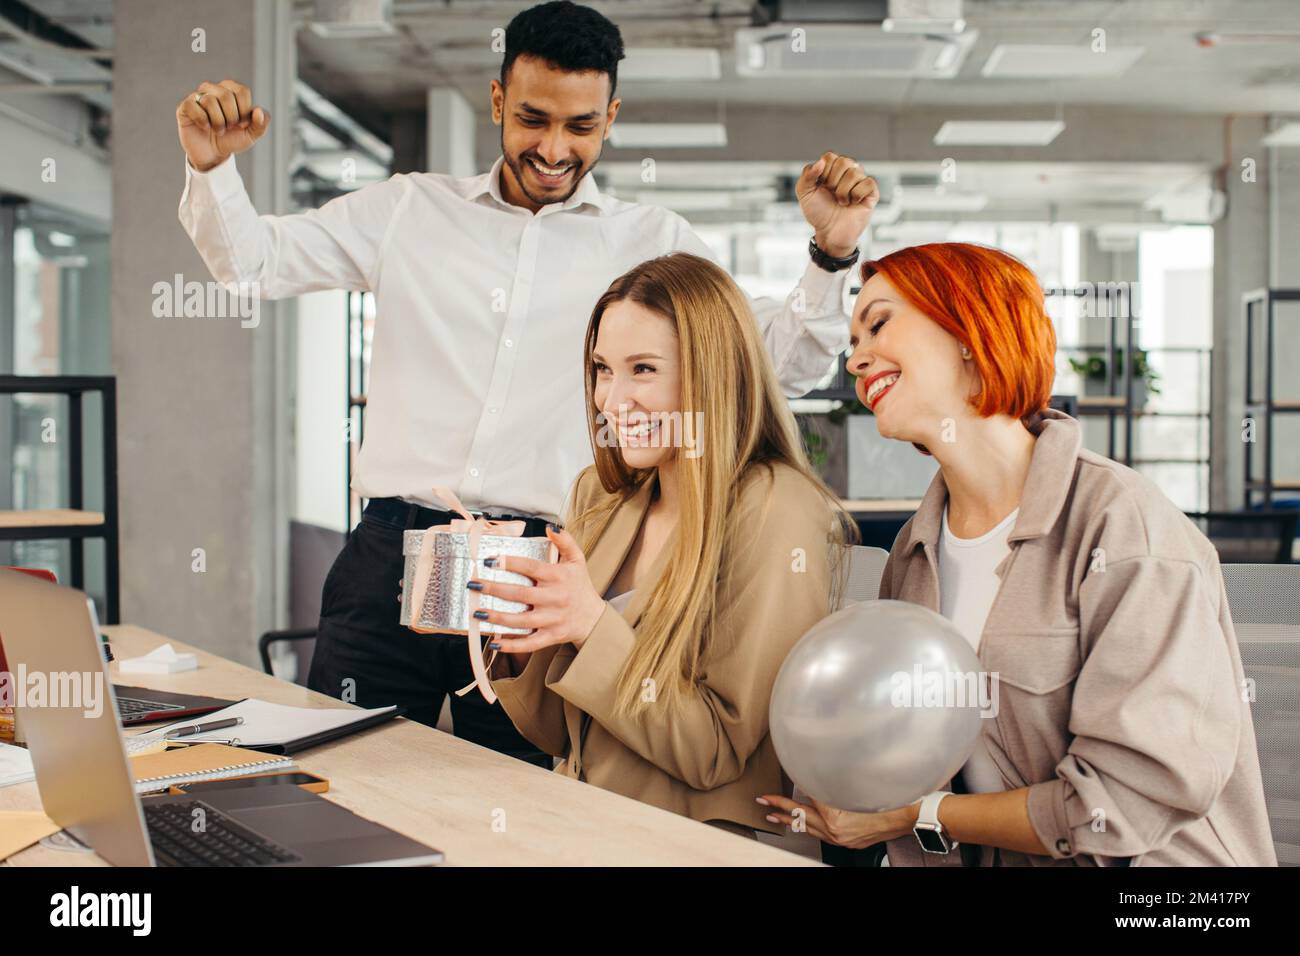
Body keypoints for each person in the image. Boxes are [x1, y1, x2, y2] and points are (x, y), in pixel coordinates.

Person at [173, 1, 877, 765]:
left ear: (610, 117)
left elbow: (774, 363)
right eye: (533, 118)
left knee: (521, 792)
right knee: (333, 770)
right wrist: (212, 168)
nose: (553, 147)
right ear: (498, 100)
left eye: (580, 127)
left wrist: (830, 257)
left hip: (544, 565)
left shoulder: (653, 241)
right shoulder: (410, 208)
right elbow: (253, 263)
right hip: (390, 553)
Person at [759, 241, 1277, 866]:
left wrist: (914, 815)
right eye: (853, 336)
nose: (856, 354)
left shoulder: (1124, 526)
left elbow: (1121, 804)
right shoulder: (915, 551)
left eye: (879, 322)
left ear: (970, 330)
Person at [470, 252, 855, 837]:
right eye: (603, 368)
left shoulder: (775, 505)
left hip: (691, 845)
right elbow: (556, 733)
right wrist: (518, 629)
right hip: (582, 828)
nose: (610, 400)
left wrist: (590, 626)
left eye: (643, 369)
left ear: (713, 372)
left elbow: (715, 752)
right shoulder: (603, 495)